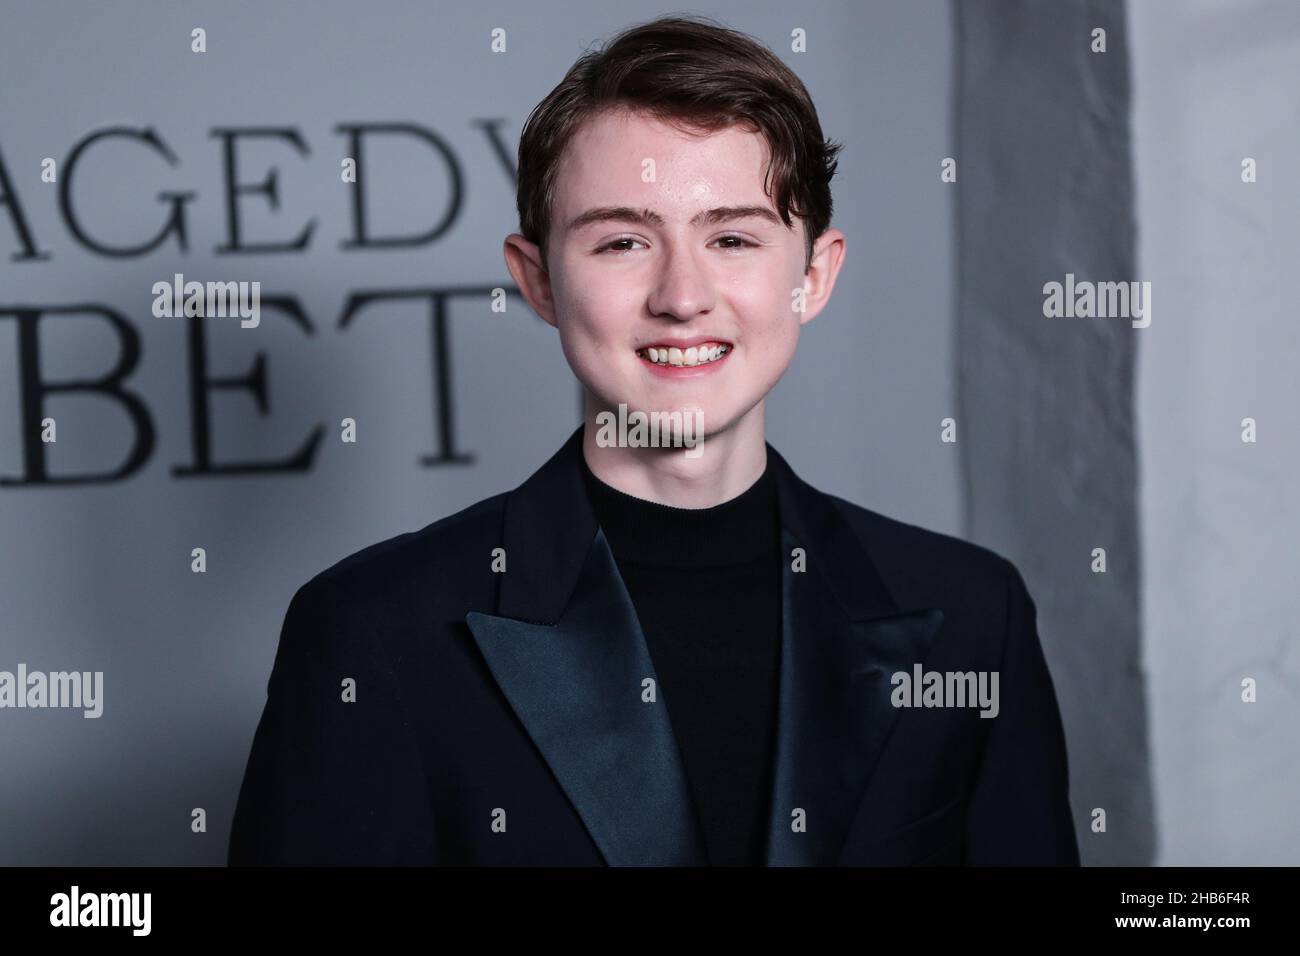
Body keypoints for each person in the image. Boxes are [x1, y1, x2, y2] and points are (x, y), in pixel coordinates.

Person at [229, 14, 1080, 867]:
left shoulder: (975, 612)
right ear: (538, 280)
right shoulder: (374, 630)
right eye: (624, 241)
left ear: (813, 276)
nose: (682, 296)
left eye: (733, 238)